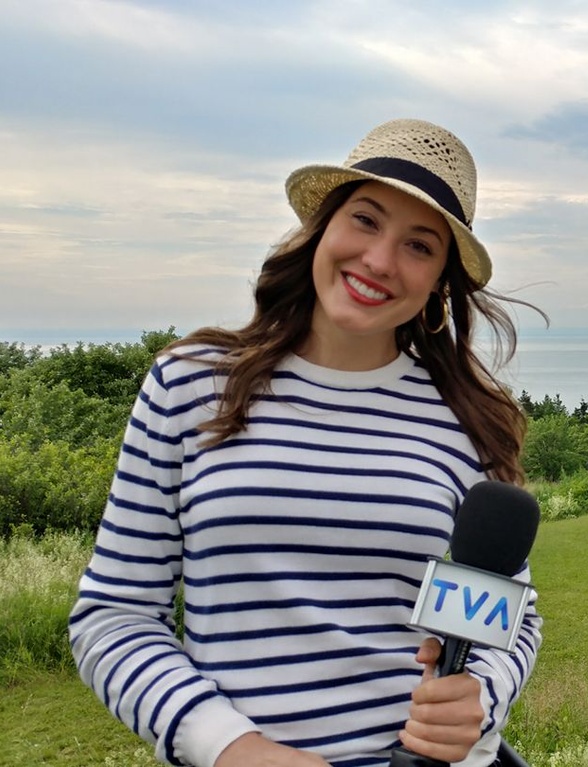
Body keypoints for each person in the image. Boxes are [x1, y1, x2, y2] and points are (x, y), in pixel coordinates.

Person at [68, 119, 542, 767]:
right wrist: (231, 747)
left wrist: (480, 695)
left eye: (419, 245)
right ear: (321, 226)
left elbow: (512, 619)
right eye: (365, 219)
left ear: (440, 279)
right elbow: (114, 615)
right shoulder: (190, 385)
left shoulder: (466, 419)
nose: (380, 260)